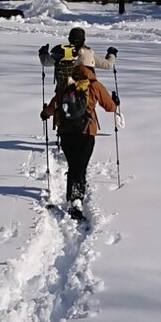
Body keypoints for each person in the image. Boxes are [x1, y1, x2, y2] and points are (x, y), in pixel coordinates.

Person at [41, 57, 118, 212]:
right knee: (80, 167)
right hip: (86, 132)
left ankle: (73, 198)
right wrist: (115, 101)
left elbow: (53, 105)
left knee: (73, 166)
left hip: (66, 133)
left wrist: (45, 113)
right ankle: (76, 201)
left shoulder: (67, 84)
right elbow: (110, 107)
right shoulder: (94, 85)